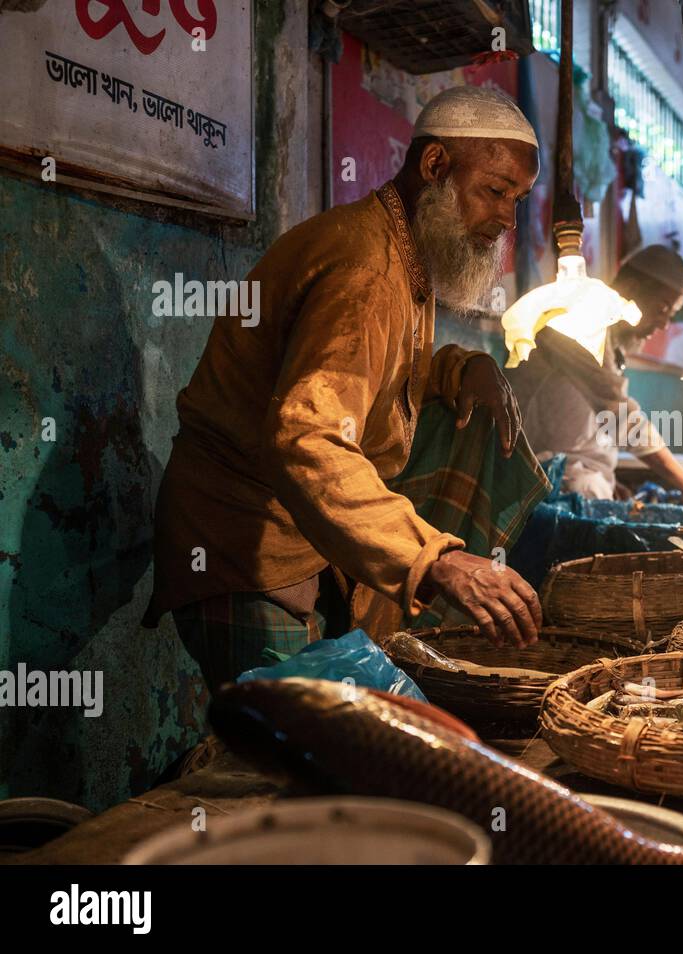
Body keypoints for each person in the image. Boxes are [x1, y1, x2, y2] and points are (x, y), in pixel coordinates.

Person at [144, 86, 549, 687]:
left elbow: (372, 378)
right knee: (283, 762)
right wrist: (436, 558)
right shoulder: (366, 268)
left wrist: (460, 369)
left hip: (305, 542)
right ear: (435, 166)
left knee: (312, 757)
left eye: (516, 200)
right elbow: (308, 436)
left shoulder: (401, 253)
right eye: (495, 191)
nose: (505, 220)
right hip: (243, 546)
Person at [507, 245, 683, 504]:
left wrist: (608, 478)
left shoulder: (609, 343)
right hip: (546, 485)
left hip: (576, 481)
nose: (663, 324)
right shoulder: (576, 323)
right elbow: (620, 416)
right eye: (662, 308)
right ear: (633, 288)